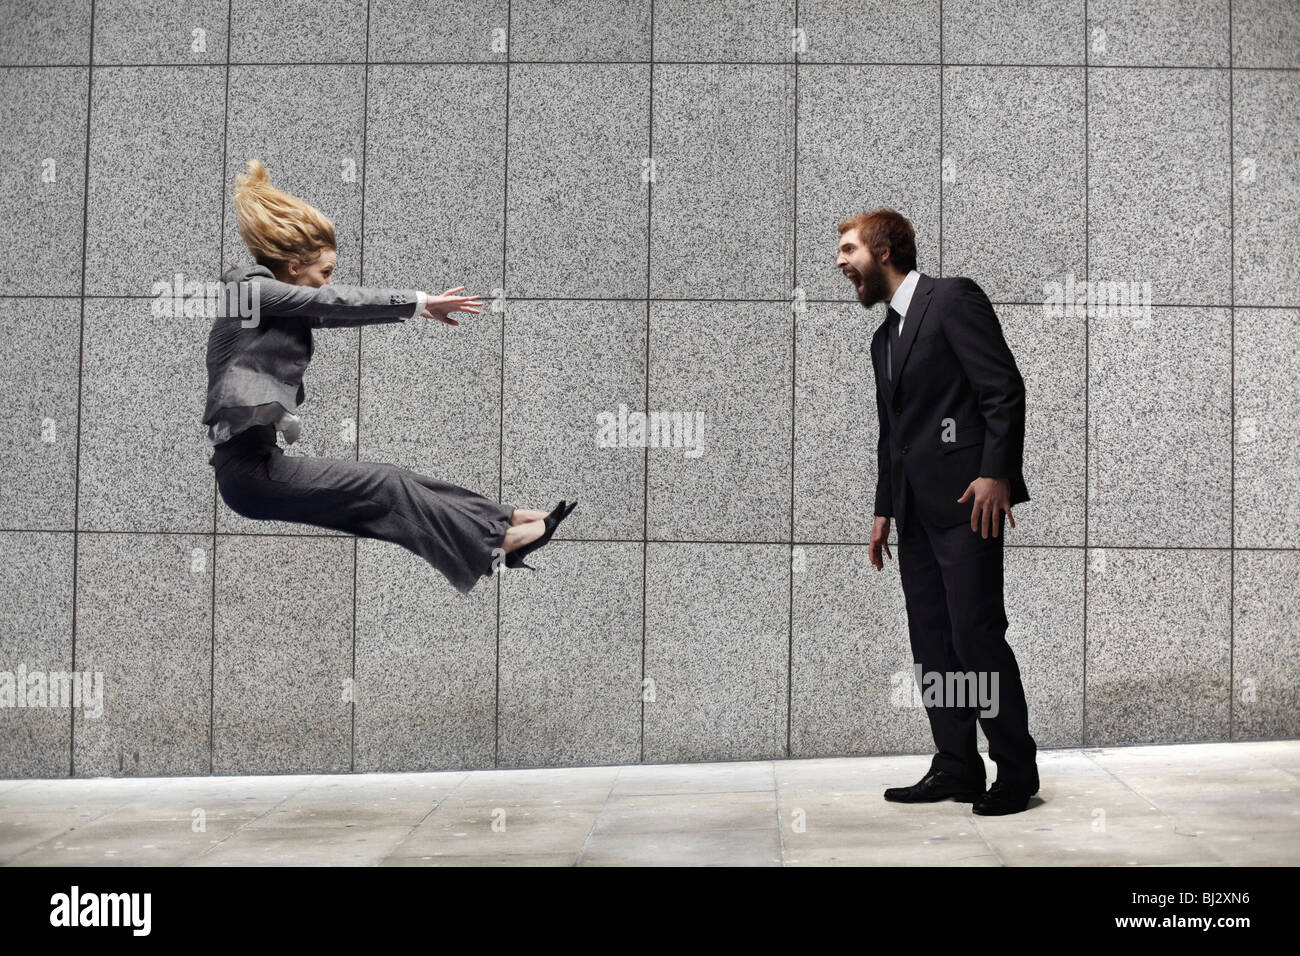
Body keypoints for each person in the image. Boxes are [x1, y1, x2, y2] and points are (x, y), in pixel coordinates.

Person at [203, 158, 574, 595]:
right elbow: (336, 303)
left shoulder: (277, 307)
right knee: (385, 483)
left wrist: (413, 309)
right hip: (247, 474)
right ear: (292, 267)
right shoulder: (248, 292)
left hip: (257, 468)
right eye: (323, 273)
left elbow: (338, 310)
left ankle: (502, 521)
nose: (326, 283)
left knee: (397, 480)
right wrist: (420, 302)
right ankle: (496, 544)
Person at [836, 208, 1039, 816]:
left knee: (976, 636)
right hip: (915, 515)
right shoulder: (882, 340)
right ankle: (956, 763)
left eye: (849, 249)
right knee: (932, 643)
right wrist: (882, 510)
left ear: (886, 248)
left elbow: (1002, 389)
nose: (840, 262)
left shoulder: (952, 300)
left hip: (968, 507)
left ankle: (1015, 770)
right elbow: (891, 434)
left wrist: (996, 472)